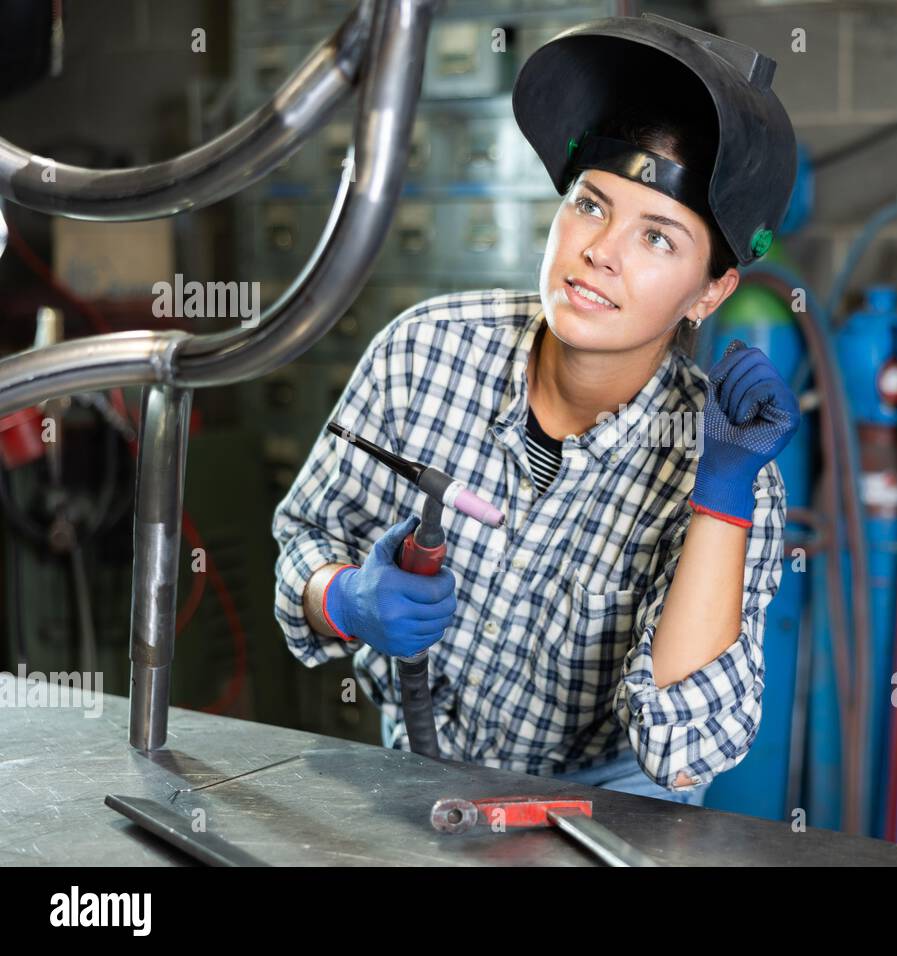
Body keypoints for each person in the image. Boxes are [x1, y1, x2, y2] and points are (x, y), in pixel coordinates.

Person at [271, 13, 799, 807]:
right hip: (420, 782)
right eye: (591, 204)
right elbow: (302, 547)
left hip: (609, 811)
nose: (601, 251)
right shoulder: (425, 352)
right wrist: (343, 598)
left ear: (711, 291)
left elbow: (683, 750)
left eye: (657, 238)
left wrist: (720, 498)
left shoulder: (728, 473)